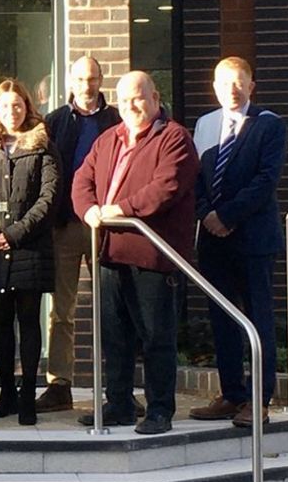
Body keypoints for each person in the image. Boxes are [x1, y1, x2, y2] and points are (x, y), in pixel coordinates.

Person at [72, 71, 200, 435]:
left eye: (138, 98)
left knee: (156, 337)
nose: (130, 106)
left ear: (155, 98)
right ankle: (120, 404)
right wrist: (89, 210)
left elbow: (166, 187)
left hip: (152, 255)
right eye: (124, 100)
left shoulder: (174, 138)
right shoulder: (108, 138)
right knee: (114, 336)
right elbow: (82, 180)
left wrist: (120, 209)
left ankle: (159, 410)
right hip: (109, 253)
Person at [189, 57, 286, 428]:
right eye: (224, 82)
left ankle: (259, 400)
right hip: (213, 241)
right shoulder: (205, 124)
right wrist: (206, 215)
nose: (232, 89)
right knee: (222, 318)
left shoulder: (269, 125)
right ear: (214, 87)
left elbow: (265, 181)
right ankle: (231, 394)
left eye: (239, 82)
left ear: (251, 86)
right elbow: (194, 177)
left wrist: (226, 216)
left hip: (253, 239)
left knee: (258, 319)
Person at [0, 79, 59, 426]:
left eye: (17, 105)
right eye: (4, 106)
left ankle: (27, 395)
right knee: (1, 323)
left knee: (29, 321)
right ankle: (6, 393)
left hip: (29, 248)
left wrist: (15, 234)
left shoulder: (43, 146)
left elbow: (48, 198)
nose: (11, 111)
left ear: (27, 107)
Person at [37, 56, 121, 413]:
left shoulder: (116, 120)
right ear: (70, 81)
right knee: (61, 311)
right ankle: (59, 385)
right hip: (66, 225)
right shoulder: (56, 121)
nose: (87, 85)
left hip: (108, 225)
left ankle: (120, 387)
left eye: (92, 78)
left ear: (101, 80)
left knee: (115, 308)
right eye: (81, 79)